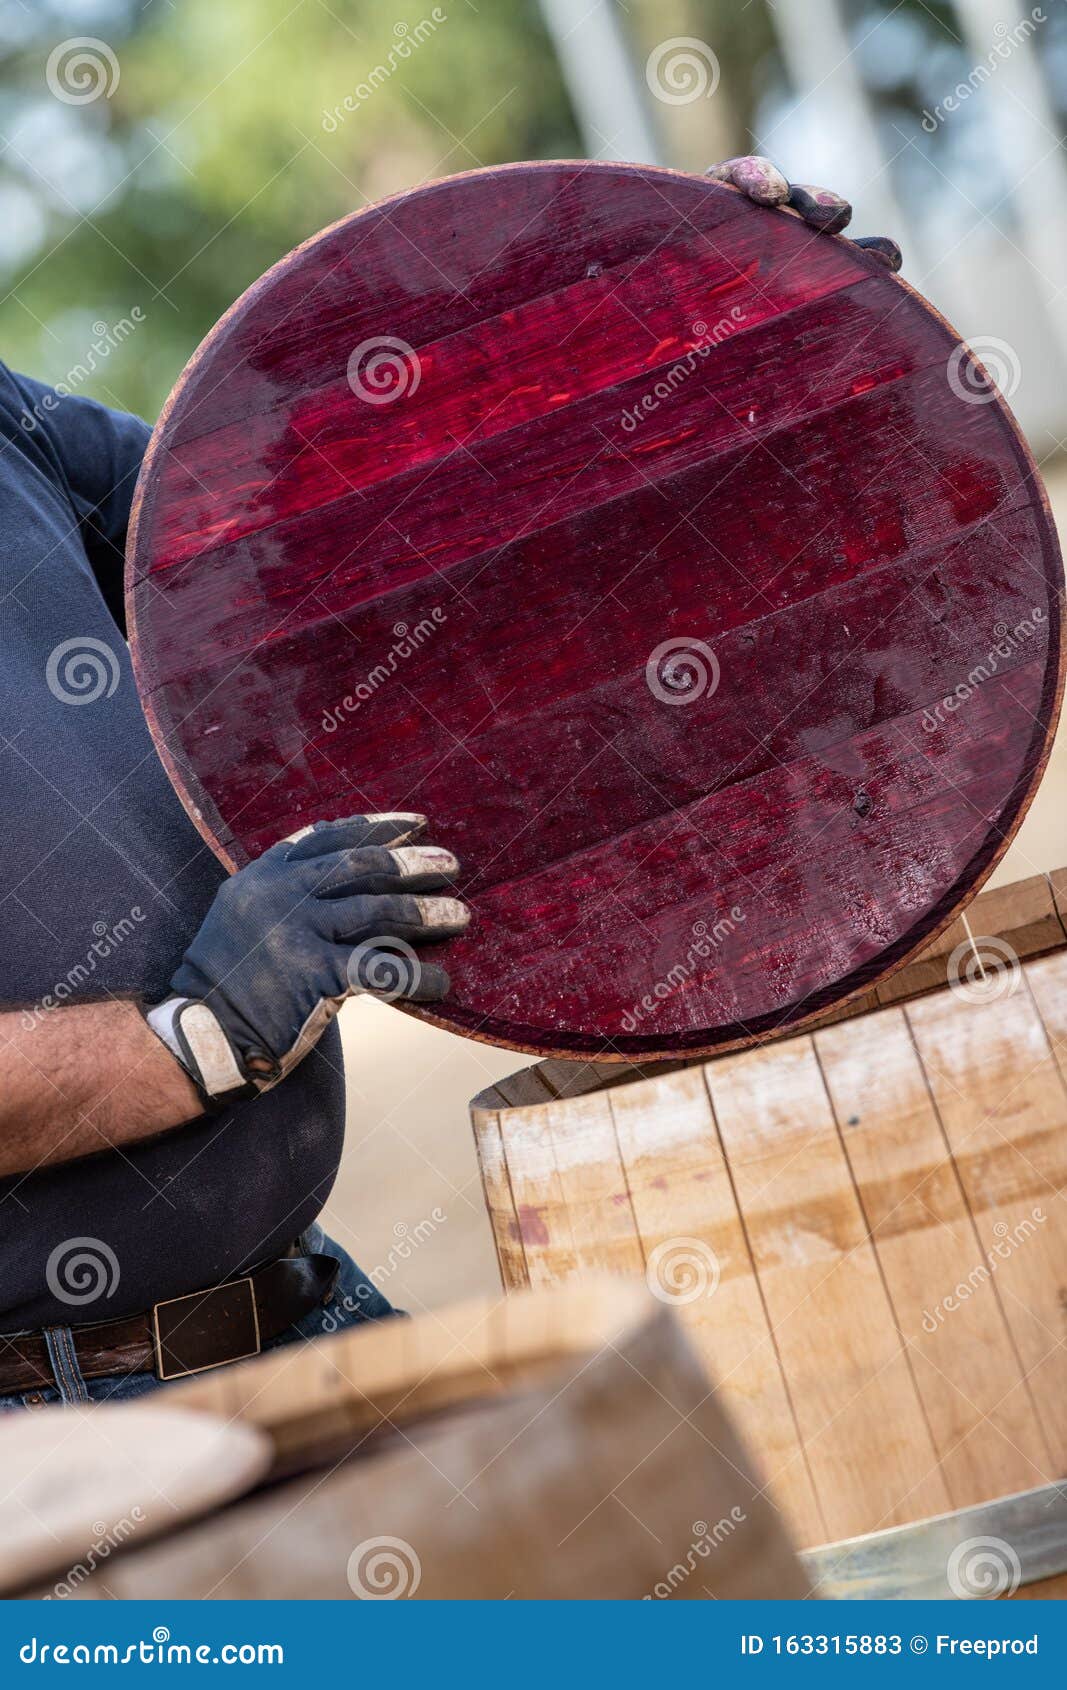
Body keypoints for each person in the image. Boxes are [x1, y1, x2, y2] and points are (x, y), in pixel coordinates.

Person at [0, 157, 899, 1409]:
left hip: (303, 1311)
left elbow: (307, 528)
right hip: (58, 1437)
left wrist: (642, 295)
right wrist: (197, 1036)